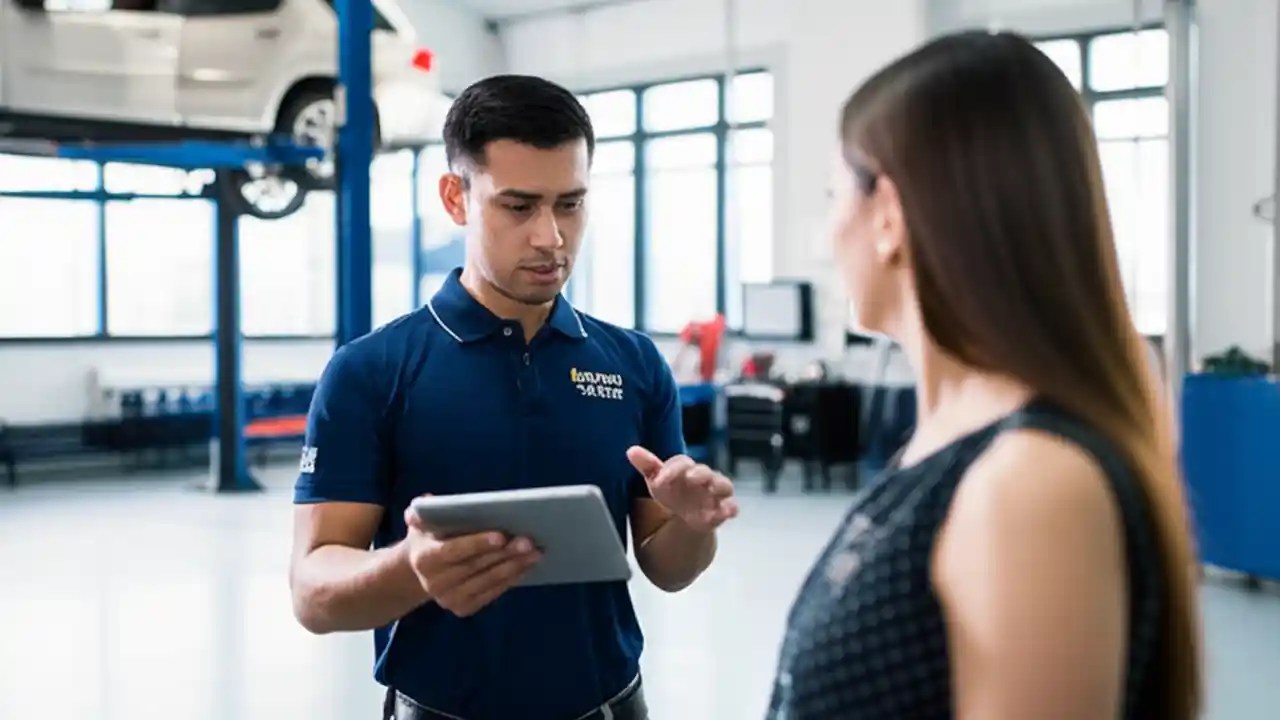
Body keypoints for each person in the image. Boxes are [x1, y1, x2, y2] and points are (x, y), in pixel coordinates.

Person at [766, 31, 1202, 720]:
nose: (826, 237)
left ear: (888, 215)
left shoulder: (1030, 482)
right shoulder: (948, 443)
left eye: (831, 195)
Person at [288, 74, 739, 720]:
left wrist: (694, 526)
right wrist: (411, 570)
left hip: (610, 708)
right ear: (455, 197)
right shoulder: (370, 372)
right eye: (519, 206)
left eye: (570, 204)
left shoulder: (634, 365)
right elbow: (312, 590)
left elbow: (668, 566)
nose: (550, 238)